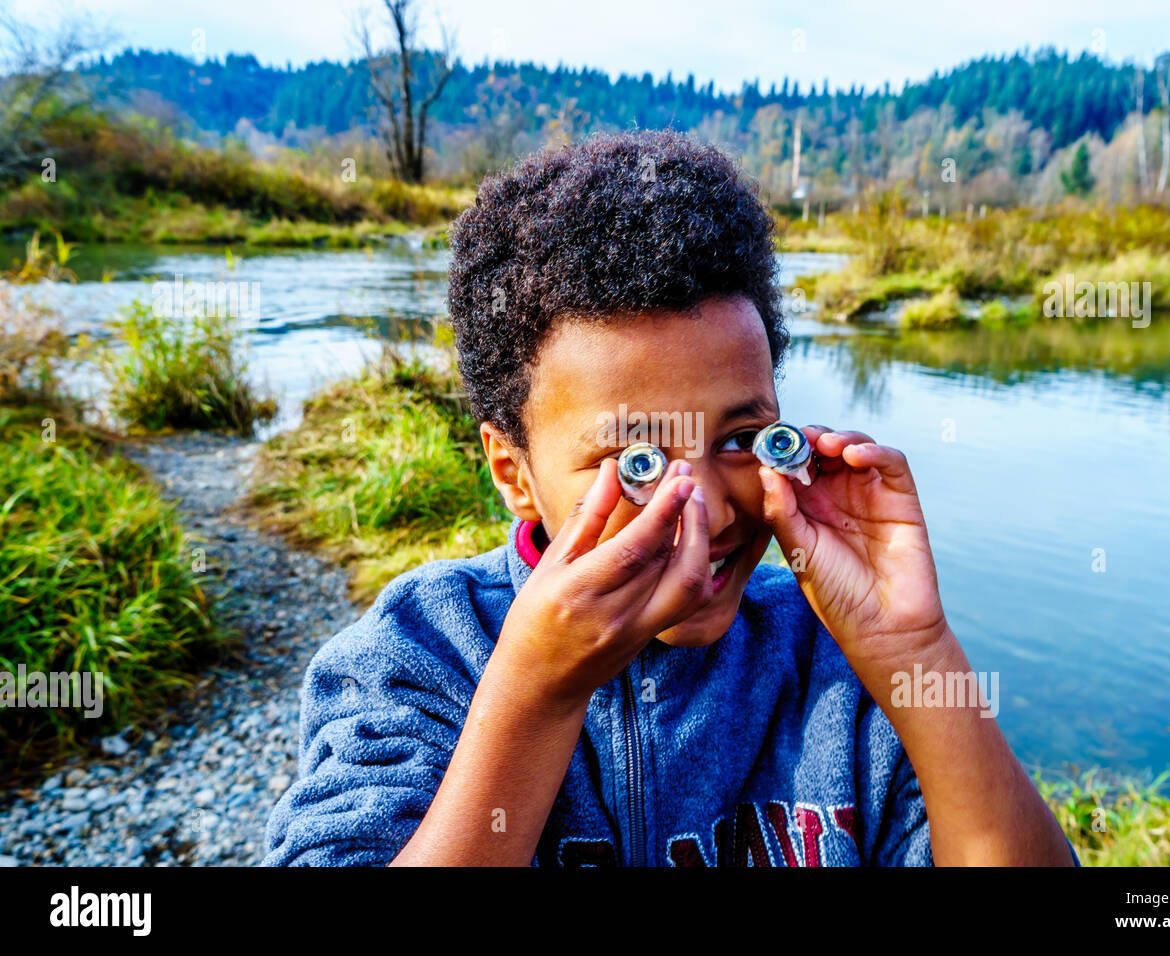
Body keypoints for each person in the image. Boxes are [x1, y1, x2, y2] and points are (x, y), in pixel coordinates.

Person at [264, 129, 1078, 867]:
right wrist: (535, 694)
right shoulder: (421, 655)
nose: (714, 514)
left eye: (739, 440)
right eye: (640, 459)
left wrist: (913, 655)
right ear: (512, 471)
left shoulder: (834, 664)